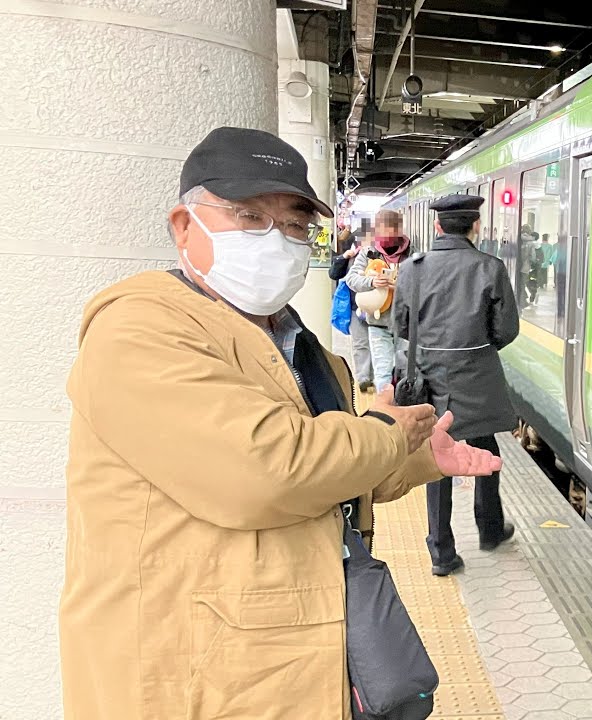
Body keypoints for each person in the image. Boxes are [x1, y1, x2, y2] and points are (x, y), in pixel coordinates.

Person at [59, 126, 503, 720]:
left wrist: (416, 460)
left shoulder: (294, 339)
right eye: (248, 216)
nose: (276, 240)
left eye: (295, 225)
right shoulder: (139, 331)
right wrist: (387, 434)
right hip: (191, 675)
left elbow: (327, 480)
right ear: (185, 227)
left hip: (291, 659)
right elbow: (267, 472)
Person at [394, 194, 520, 576]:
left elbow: (400, 326)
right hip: (476, 376)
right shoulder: (490, 268)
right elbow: (507, 330)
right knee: (486, 448)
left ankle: (441, 553)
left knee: (436, 458)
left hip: (428, 377)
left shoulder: (412, 268)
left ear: (437, 227)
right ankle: (490, 530)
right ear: (475, 226)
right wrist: (475, 348)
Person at [346, 209, 412, 391]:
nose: (387, 237)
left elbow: (425, 284)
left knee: (405, 371)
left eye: (392, 231)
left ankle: (403, 406)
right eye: (383, 232)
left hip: (406, 323)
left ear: (399, 230)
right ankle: (387, 413)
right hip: (377, 323)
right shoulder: (368, 253)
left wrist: (399, 287)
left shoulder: (413, 254)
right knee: (382, 372)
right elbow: (351, 280)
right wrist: (372, 281)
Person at [330, 222, 375, 391]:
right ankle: (364, 378)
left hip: (377, 307)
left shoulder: (378, 256)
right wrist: (343, 258)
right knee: (360, 343)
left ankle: (376, 376)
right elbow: (334, 274)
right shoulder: (351, 256)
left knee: (376, 342)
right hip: (356, 307)